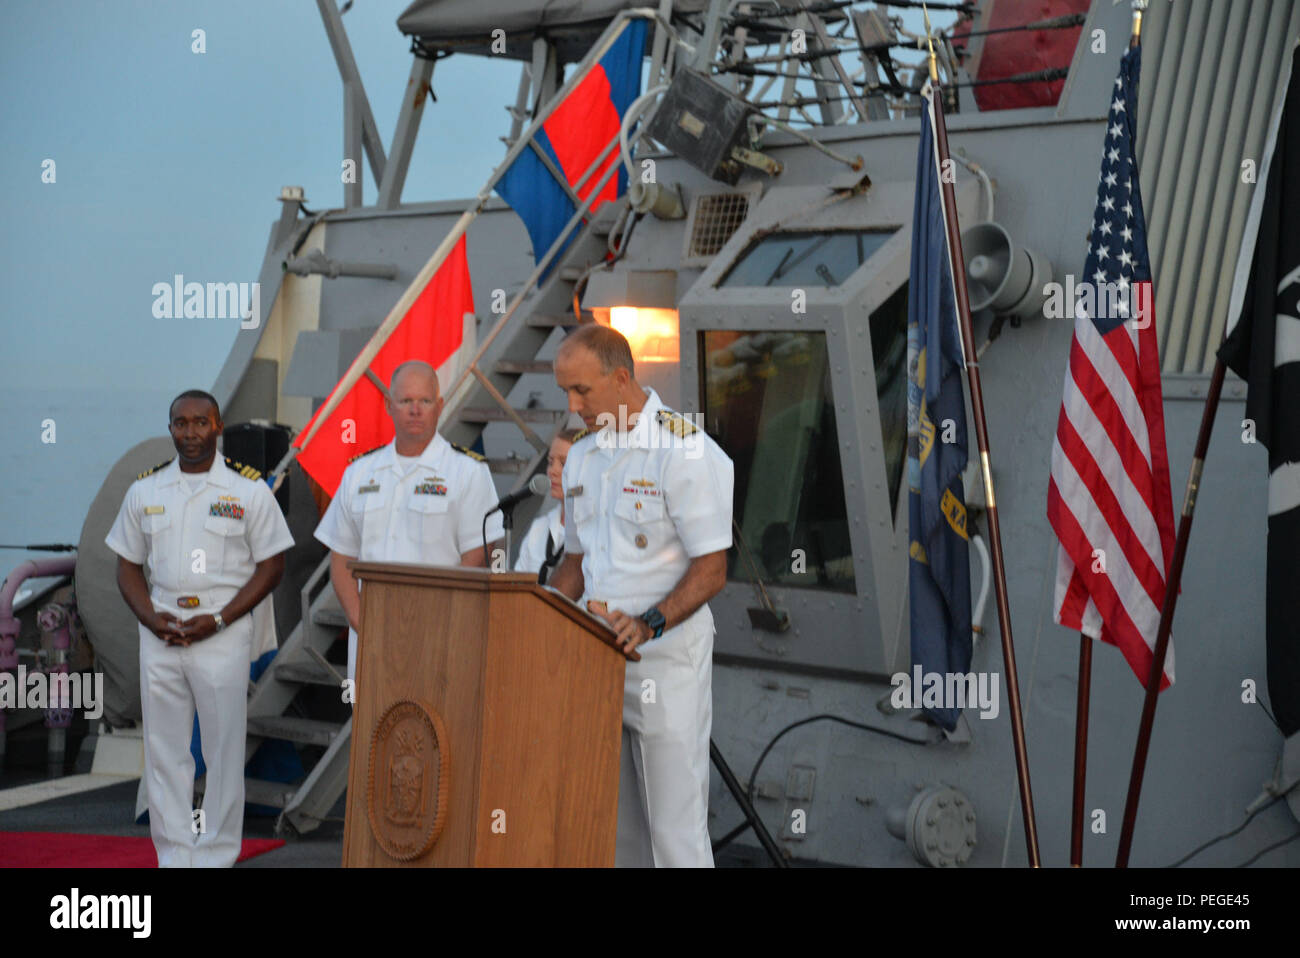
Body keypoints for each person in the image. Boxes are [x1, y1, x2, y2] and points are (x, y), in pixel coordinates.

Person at [548, 324, 734, 867]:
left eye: (582, 390)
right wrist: (545, 622)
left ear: (622, 378)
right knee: (619, 831)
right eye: (565, 391)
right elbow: (576, 563)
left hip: (664, 659)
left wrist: (649, 621)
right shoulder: (583, 456)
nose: (573, 404)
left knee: (674, 832)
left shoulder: (686, 450)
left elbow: (712, 569)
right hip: (596, 658)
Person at [105, 389, 294, 867]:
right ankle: (174, 855)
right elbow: (127, 566)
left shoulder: (248, 491)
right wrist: (150, 617)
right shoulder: (144, 491)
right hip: (161, 628)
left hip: (222, 631)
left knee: (223, 750)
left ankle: (214, 855)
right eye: (180, 423)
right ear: (170, 428)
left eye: (200, 423)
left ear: (218, 426)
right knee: (165, 753)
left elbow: (272, 566)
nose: (190, 433)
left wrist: (221, 619)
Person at [314, 360, 504, 684]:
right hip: (371, 639)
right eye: (405, 401)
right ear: (389, 405)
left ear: (440, 406)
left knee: (435, 731)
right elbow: (342, 557)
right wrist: (363, 622)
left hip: (439, 637)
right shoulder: (359, 473)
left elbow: (479, 555)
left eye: (425, 401)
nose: (415, 410)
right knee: (372, 732)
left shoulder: (468, 472)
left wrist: (428, 622)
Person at [514, 427, 585, 583]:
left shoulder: (599, 530)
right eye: (550, 462)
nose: (553, 471)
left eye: (564, 463)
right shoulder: (540, 527)